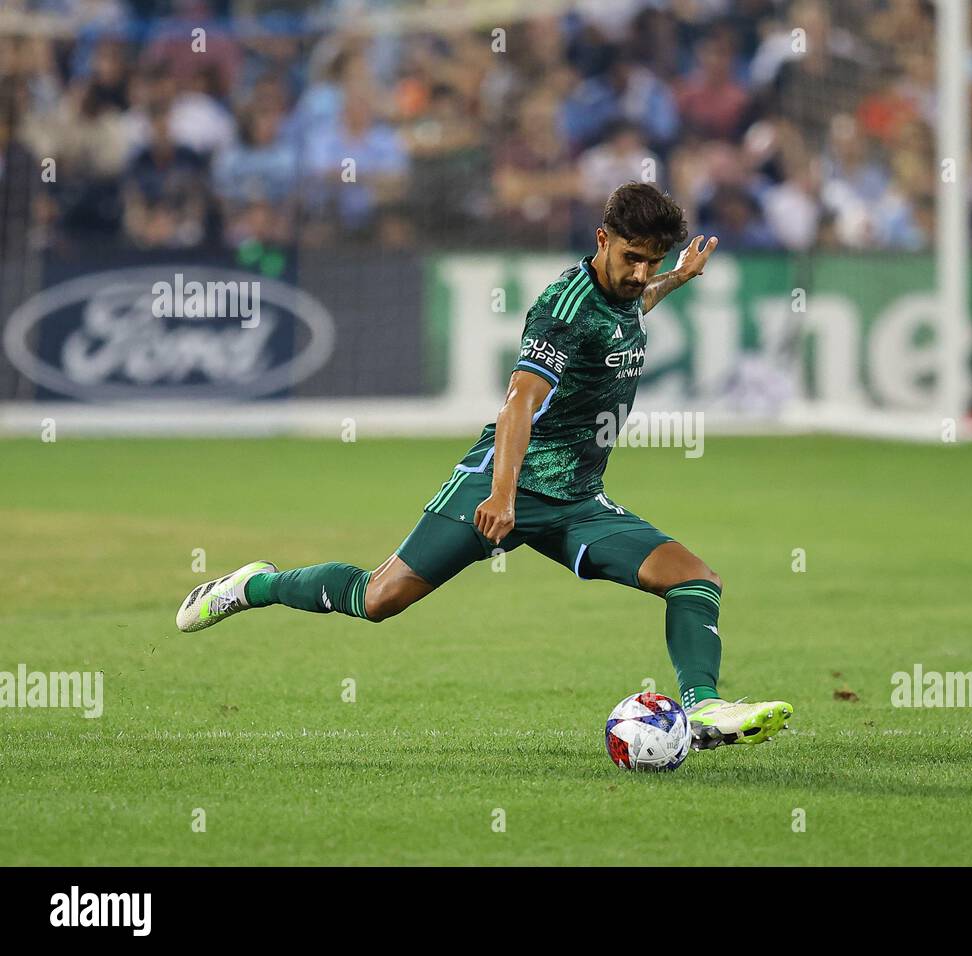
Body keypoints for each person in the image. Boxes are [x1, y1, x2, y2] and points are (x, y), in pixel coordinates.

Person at [176, 182, 794, 751]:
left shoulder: (628, 291)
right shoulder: (562, 306)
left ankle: (705, 708)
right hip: (503, 483)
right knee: (379, 598)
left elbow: (625, 314)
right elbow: (520, 402)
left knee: (694, 579)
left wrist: (674, 281)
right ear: (601, 239)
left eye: (653, 261)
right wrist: (501, 495)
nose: (641, 273)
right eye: (632, 257)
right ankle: (253, 585)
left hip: (575, 499)